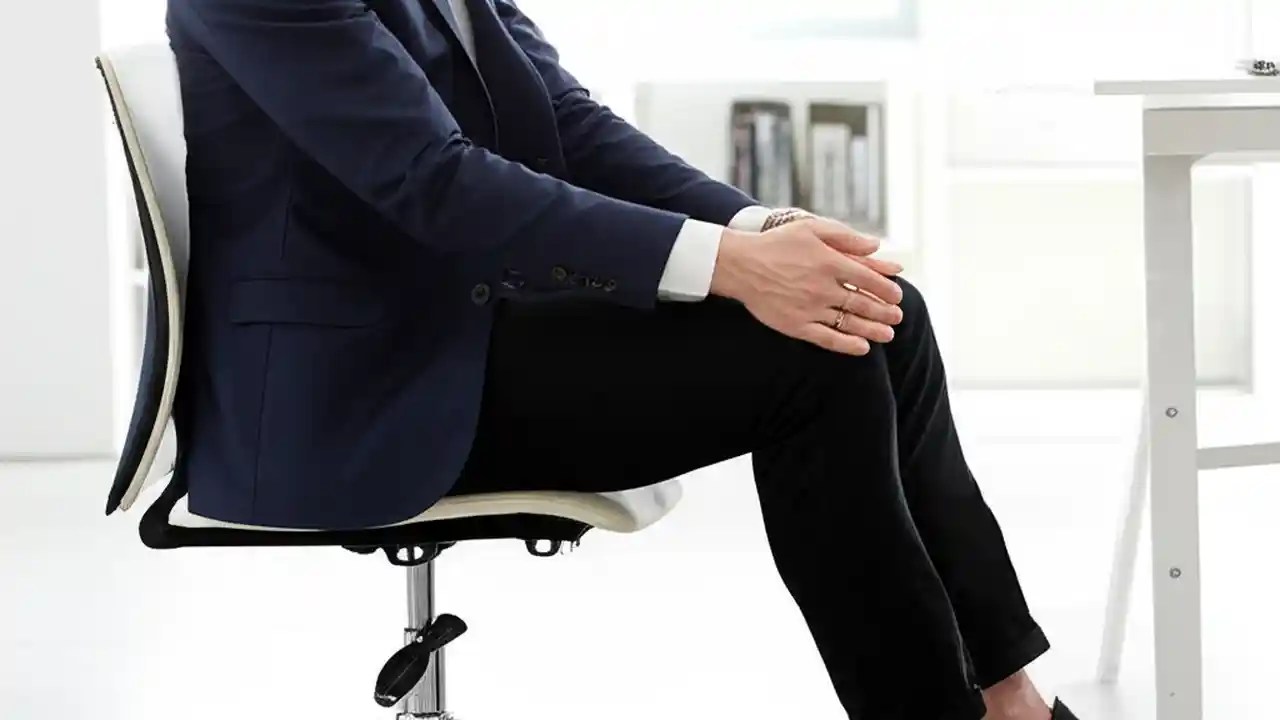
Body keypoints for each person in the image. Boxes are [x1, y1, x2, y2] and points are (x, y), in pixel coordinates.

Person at [168, 0, 1079, 717]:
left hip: (456, 327)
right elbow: (433, 179)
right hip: (357, 392)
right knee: (818, 361)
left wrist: (757, 229)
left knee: (877, 311)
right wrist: (731, 268)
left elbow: (566, 123)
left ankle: (1008, 700)